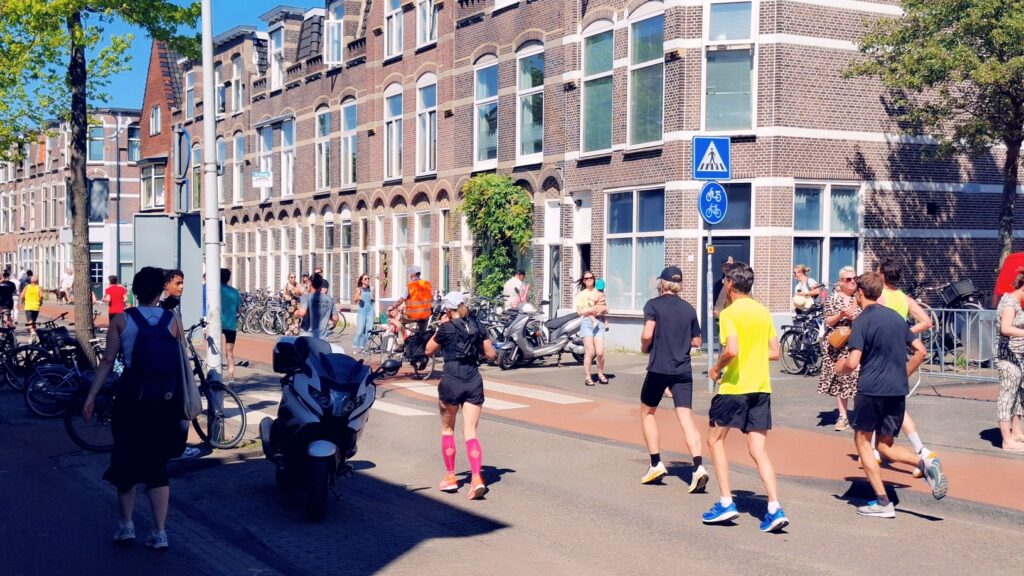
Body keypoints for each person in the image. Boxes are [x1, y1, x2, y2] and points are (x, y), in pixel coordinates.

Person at [83, 266, 191, 551]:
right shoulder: (173, 321)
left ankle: (127, 525)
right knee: (157, 465)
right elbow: (180, 361)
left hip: (131, 400)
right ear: (159, 291)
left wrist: (91, 396)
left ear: (135, 290)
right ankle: (159, 532)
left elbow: (107, 362)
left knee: (126, 460)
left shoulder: (121, 320)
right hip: (163, 404)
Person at [836, 272, 945, 518]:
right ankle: (924, 464)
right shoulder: (897, 318)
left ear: (861, 293)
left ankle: (883, 502)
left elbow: (853, 363)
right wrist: (903, 374)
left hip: (871, 389)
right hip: (896, 390)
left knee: (862, 442)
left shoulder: (862, 321)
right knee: (884, 447)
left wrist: (839, 366)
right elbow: (921, 351)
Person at [703, 261, 789, 533]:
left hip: (734, 388)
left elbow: (732, 351)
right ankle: (774, 506)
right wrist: (753, 356)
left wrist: (716, 368)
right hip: (761, 388)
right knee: (758, 450)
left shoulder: (729, 313)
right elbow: (775, 352)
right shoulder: (763, 311)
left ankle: (726, 501)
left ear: (729, 284)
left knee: (715, 440)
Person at [638, 266, 708, 493]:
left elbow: (647, 334)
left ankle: (656, 463)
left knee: (647, 412)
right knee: (685, 417)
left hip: (659, 368)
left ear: (663, 284)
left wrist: (644, 346)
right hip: (682, 369)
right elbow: (698, 342)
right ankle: (698, 467)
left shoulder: (653, 305)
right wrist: (681, 340)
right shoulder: (689, 309)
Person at [424, 291, 498, 500]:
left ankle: (450, 477)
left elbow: (428, 350)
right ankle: (476, 479)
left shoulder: (445, 329)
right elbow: (491, 354)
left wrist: (441, 326)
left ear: (447, 309)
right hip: (473, 379)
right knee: (470, 431)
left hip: (451, 380)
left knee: (448, 429)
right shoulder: (477, 326)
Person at [875, 258, 937, 473]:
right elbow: (927, 322)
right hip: (899, 354)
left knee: (879, 400)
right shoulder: (905, 298)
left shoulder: (878, 297)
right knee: (895, 404)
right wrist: (905, 333)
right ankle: (917, 449)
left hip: (881, 355)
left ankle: (916, 452)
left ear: (882, 275)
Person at [818, 266, 862, 431]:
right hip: (838, 346)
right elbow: (828, 321)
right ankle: (843, 416)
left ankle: (859, 414)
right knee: (840, 381)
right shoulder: (833, 299)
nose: (852, 282)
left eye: (854, 279)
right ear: (840, 282)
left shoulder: (860, 297)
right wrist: (841, 315)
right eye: (848, 279)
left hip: (856, 344)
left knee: (858, 379)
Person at [995, 269, 1024, 451]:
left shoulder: (1017, 303)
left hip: (1018, 357)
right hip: (1008, 357)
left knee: (1019, 395)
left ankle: (1017, 432)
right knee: (1007, 396)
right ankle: (1007, 439)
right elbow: (1006, 328)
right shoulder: (1009, 302)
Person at [575, 270, 608, 386]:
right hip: (586, 323)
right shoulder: (581, 295)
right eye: (586, 278)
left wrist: (600, 310)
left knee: (599, 353)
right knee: (590, 352)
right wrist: (590, 310)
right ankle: (588, 377)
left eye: (591, 278)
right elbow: (579, 312)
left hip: (598, 322)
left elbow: (605, 308)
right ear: (583, 281)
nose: (589, 280)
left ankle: (600, 373)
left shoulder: (599, 292)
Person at [388, 265, 434, 340]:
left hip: (413, 316)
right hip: (425, 315)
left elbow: (401, 300)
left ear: (413, 274)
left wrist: (393, 307)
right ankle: (421, 348)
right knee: (422, 334)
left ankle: (401, 344)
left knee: (399, 322)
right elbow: (432, 299)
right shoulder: (427, 284)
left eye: (410, 274)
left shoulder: (410, 286)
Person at [296, 273, 338, 340]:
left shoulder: (306, 297)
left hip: (307, 336)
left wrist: (296, 313)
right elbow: (335, 318)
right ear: (321, 284)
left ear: (310, 283)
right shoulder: (329, 299)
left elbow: (302, 313)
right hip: (322, 338)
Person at [220, 268, 242, 384]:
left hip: (217, 324)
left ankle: (214, 375)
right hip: (230, 325)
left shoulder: (215, 290)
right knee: (229, 353)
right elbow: (240, 310)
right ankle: (231, 379)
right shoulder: (234, 292)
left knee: (214, 351)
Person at [352, 274, 375, 353]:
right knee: (360, 329)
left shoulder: (371, 289)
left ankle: (363, 346)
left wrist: (373, 298)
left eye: (368, 278)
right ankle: (355, 346)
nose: (367, 280)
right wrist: (358, 297)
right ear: (362, 280)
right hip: (362, 310)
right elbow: (355, 299)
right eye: (365, 279)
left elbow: (373, 300)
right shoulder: (359, 289)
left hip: (370, 310)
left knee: (369, 329)